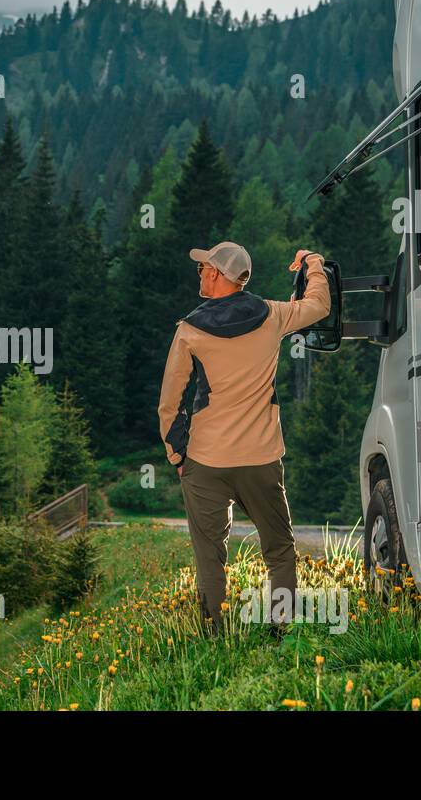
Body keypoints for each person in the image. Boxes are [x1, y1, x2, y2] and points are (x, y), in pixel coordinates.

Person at [157, 242, 330, 633]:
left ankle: (212, 635)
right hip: (262, 457)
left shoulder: (189, 330)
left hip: (206, 459)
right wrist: (313, 263)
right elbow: (319, 305)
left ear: (218, 274)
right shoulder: (273, 314)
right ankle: (282, 631)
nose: (199, 272)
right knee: (280, 550)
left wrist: (177, 456)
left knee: (210, 557)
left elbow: (170, 402)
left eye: (203, 267)